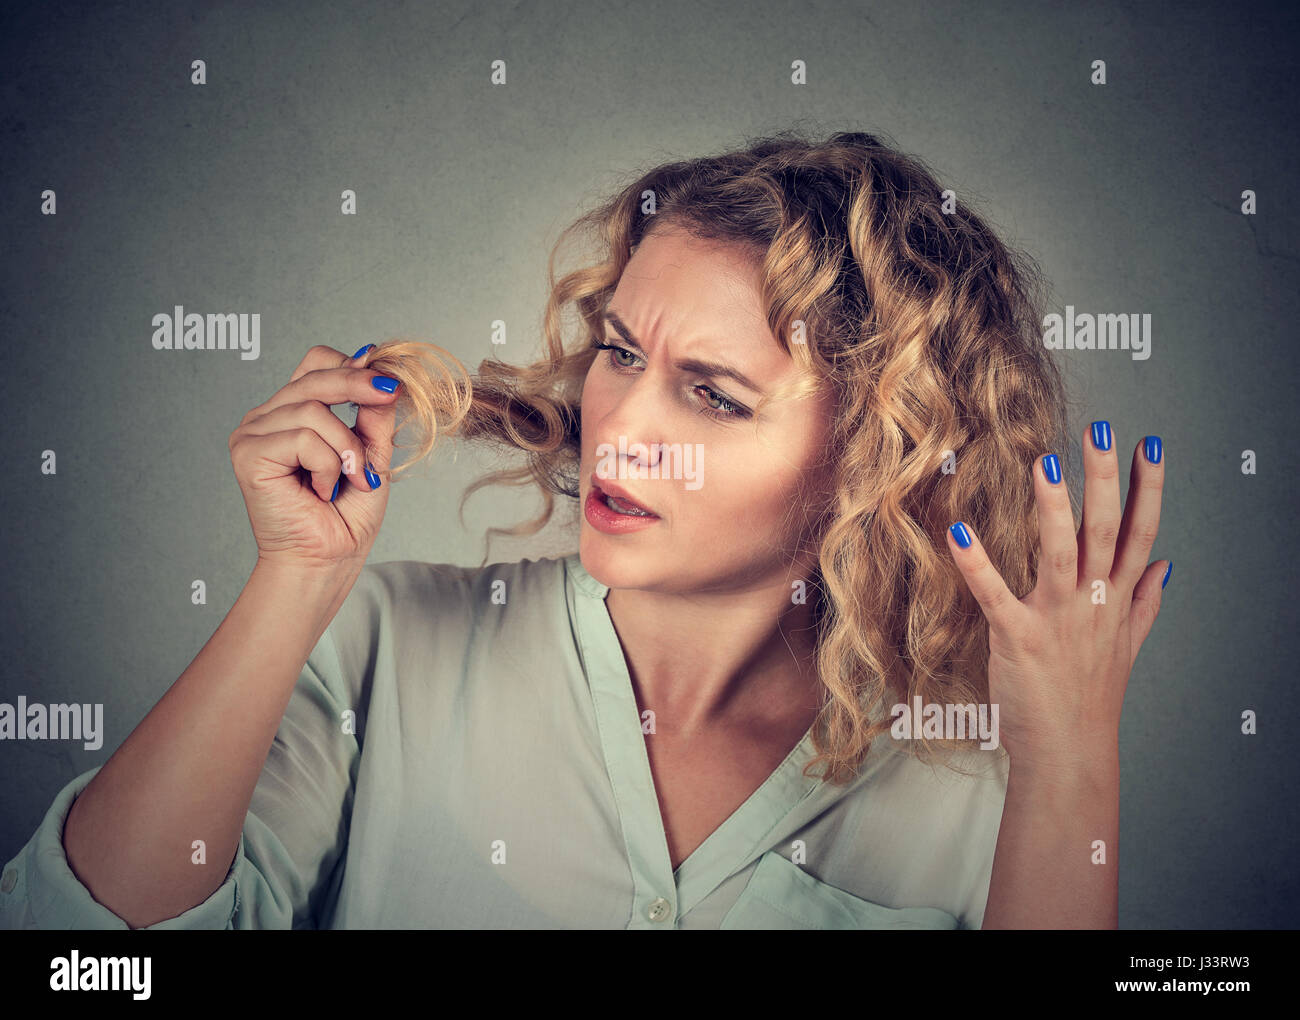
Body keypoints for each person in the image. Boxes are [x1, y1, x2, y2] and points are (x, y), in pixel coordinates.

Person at [0, 130, 1168, 930]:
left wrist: (1072, 763)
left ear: (873, 462)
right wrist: (294, 582)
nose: (620, 428)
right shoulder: (388, 646)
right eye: (619, 352)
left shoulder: (980, 785)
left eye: (712, 393)